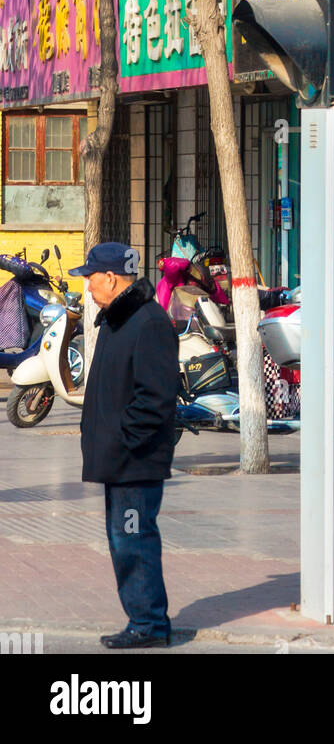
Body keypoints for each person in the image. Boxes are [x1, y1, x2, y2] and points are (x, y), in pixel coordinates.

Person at [70, 241, 179, 649]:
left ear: (111, 278)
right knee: (125, 540)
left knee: (133, 541)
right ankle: (144, 619)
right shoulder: (120, 319)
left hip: (135, 461)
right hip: (122, 460)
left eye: (91, 277)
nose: (88, 285)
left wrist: (124, 440)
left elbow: (155, 397)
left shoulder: (147, 322)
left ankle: (149, 625)